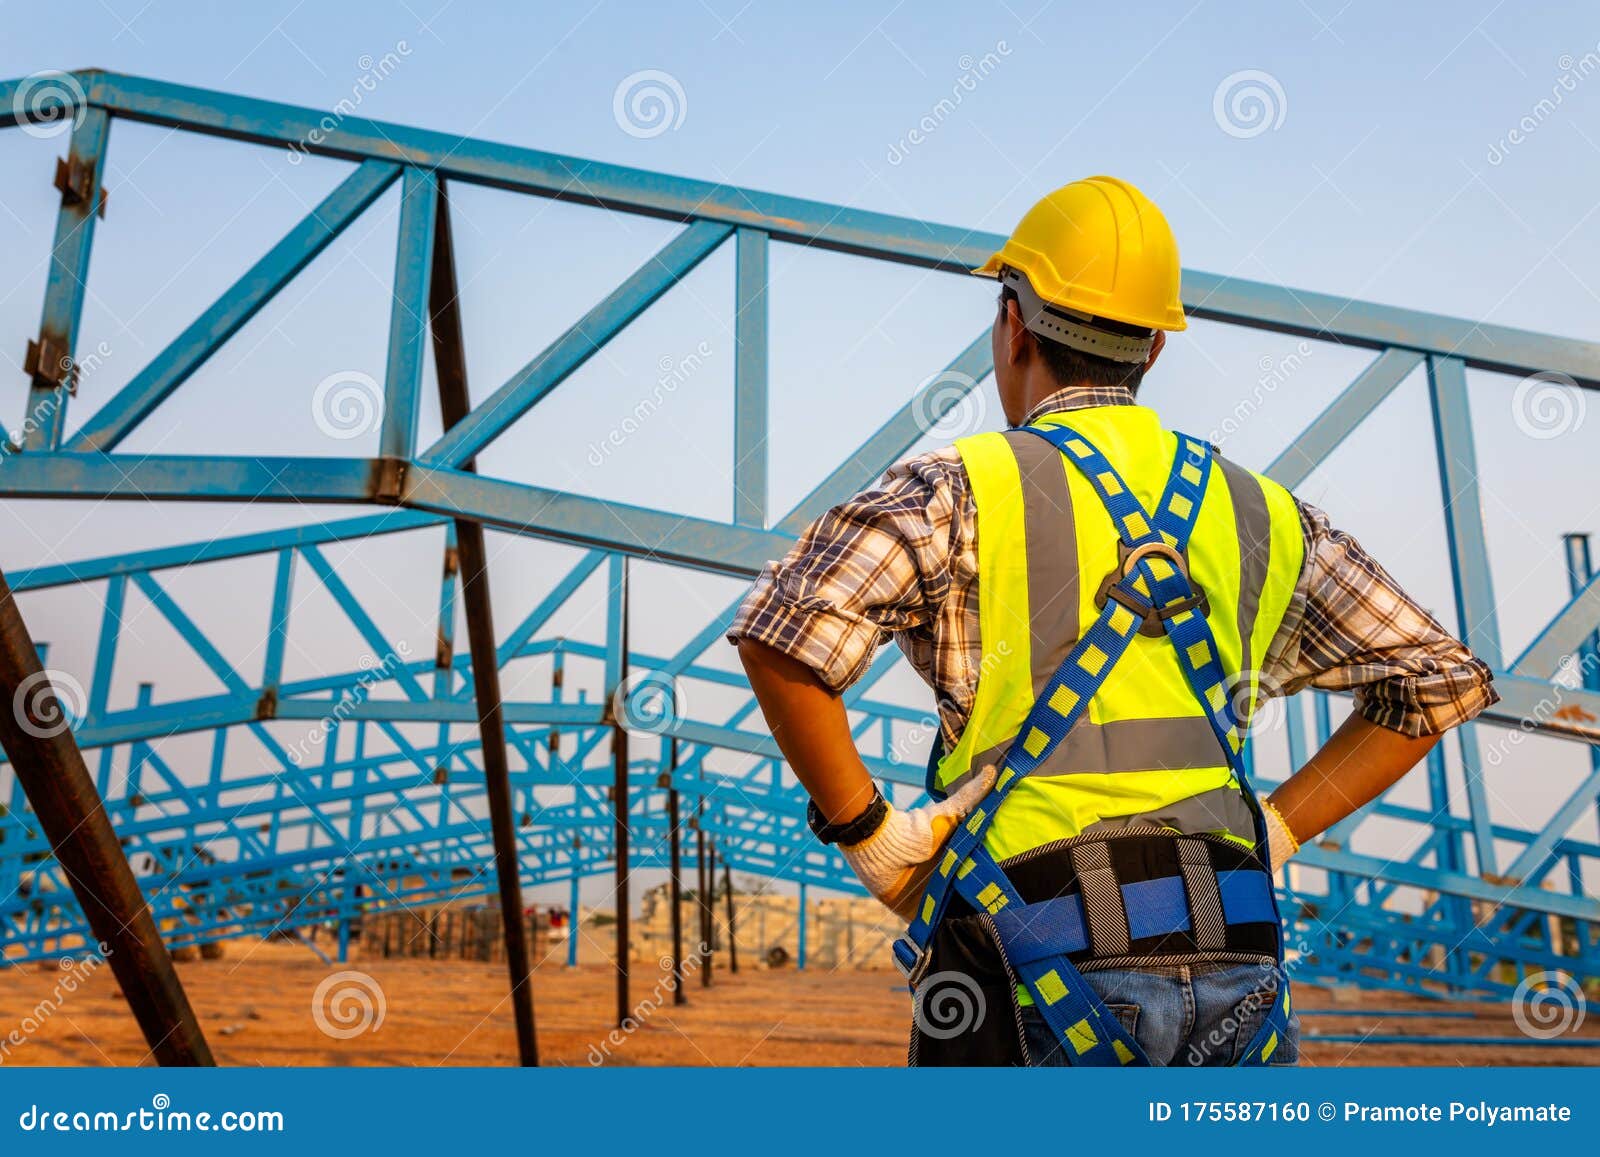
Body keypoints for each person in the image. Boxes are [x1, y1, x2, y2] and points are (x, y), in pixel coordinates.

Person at [729, 177, 1497, 1066]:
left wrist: (868, 832)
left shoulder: (960, 488)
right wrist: (1279, 827)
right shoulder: (1262, 512)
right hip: (1232, 932)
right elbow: (1440, 678)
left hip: (1026, 945)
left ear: (1013, 323)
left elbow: (782, 627)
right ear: (1155, 350)